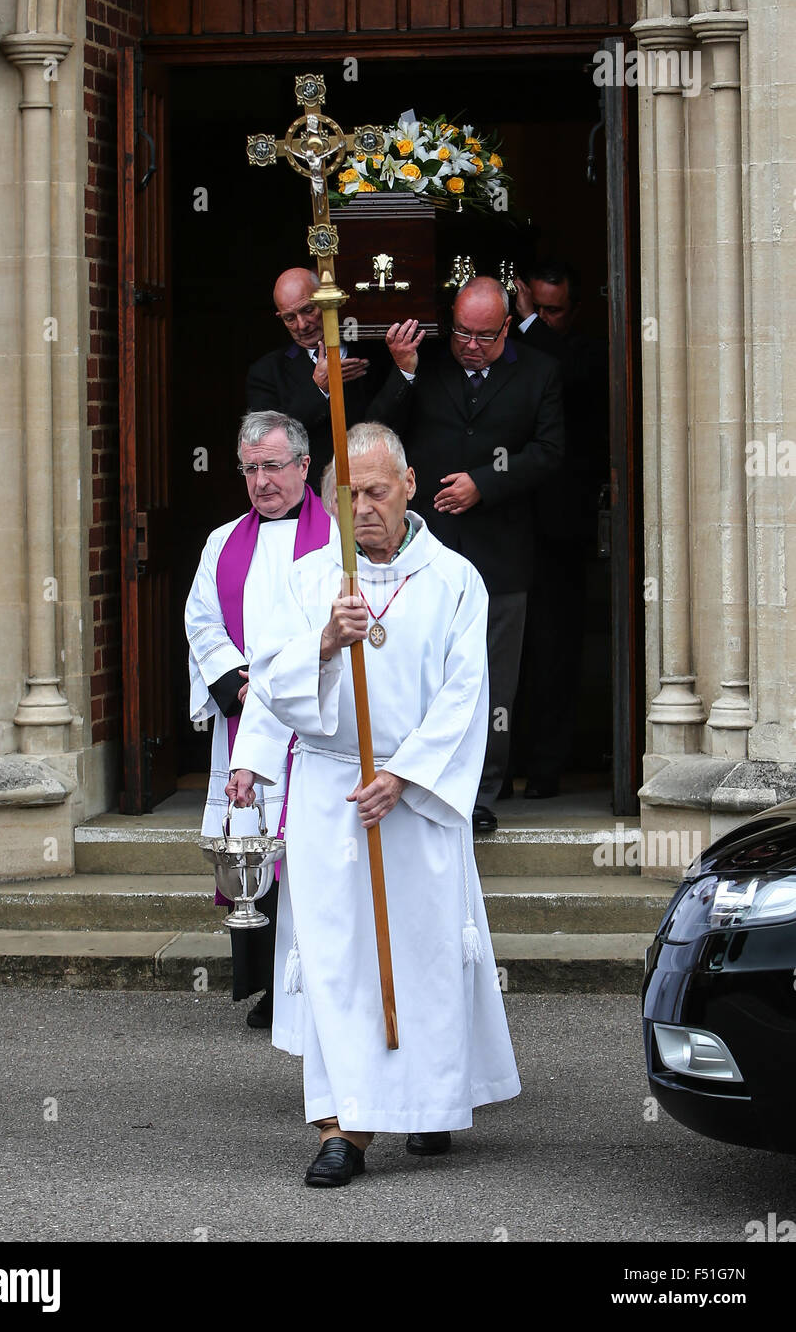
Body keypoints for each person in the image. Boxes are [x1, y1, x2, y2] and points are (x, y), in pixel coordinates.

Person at [227, 422, 520, 1188]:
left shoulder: (455, 578)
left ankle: (428, 1102)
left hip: (416, 802)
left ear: (410, 485)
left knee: (421, 957)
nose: (361, 510)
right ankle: (341, 1127)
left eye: (376, 492)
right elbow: (270, 679)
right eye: (345, 496)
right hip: (332, 795)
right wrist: (324, 644)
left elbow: (466, 695)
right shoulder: (305, 581)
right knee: (339, 961)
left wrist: (408, 776)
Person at [376, 277, 565, 830]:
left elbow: (551, 451)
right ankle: (418, 781)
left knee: (490, 678)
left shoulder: (538, 372)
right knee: (425, 669)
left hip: (500, 550)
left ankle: (480, 793)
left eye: (484, 335)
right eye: (461, 331)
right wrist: (404, 369)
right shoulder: (425, 363)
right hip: (424, 552)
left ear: (507, 326)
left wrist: (486, 482)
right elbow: (378, 433)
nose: (471, 344)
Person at [185, 410, 331, 1027]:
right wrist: (237, 682)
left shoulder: (337, 541)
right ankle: (271, 985)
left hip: (318, 727)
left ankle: (322, 984)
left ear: (303, 465)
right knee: (255, 853)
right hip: (248, 722)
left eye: (273, 466)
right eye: (250, 469)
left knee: (314, 854)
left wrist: (289, 685)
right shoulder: (223, 543)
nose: (261, 481)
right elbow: (201, 620)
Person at [511, 263, 610, 797]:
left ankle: (547, 770)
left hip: (562, 530)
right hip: (513, 527)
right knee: (508, 653)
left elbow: (562, 371)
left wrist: (528, 323)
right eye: (538, 308)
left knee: (554, 652)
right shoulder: (516, 350)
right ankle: (502, 770)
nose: (545, 319)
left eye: (555, 311)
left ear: (574, 310)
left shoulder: (587, 353)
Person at [245, 267, 409, 487]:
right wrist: (319, 389)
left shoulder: (373, 353)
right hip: (311, 498)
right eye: (290, 318)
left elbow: (388, 424)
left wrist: (403, 367)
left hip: (373, 488)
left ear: (328, 302)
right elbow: (269, 445)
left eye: (308, 310)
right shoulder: (266, 372)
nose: (302, 325)